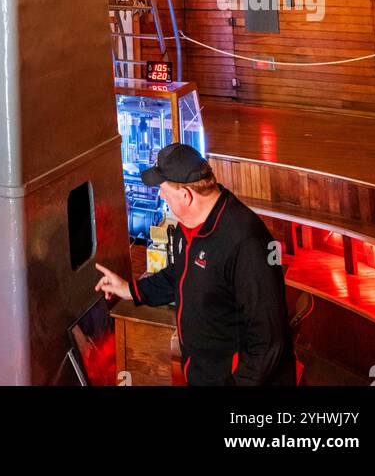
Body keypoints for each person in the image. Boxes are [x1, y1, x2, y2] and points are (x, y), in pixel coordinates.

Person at [96, 142, 296, 386]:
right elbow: (177, 275)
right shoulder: (189, 226)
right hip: (204, 374)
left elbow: (267, 340)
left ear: (186, 195)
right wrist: (129, 290)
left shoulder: (245, 243)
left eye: (163, 189)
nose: (160, 195)